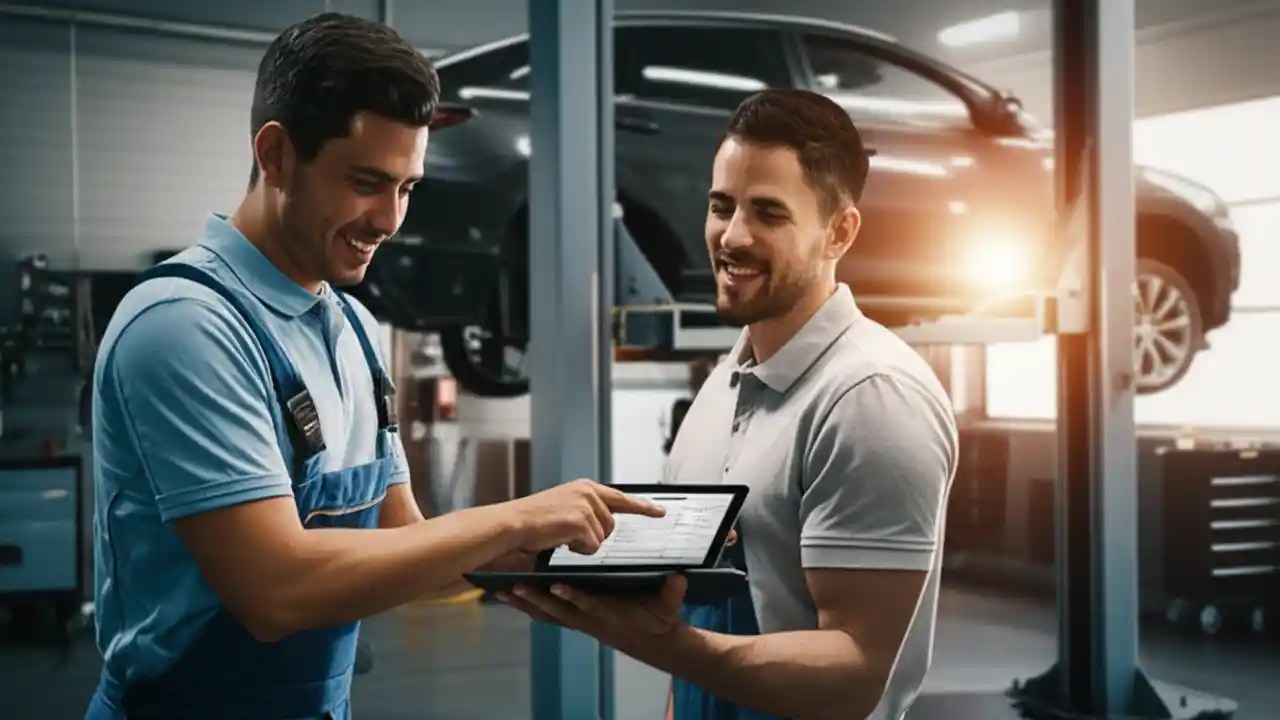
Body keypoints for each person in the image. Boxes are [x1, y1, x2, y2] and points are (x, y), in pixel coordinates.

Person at [85, 13, 662, 720]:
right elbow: (276, 592)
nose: (390, 220)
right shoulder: (184, 326)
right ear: (275, 155)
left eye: (408, 187)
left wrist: (574, 566)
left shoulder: (353, 328)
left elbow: (401, 541)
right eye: (366, 181)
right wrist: (515, 518)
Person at [499, 88, 958, 720]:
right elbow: (694, 605)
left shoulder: (870, 399)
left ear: (839, 232)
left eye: (769, 213)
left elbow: (854, 672)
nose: (732, 237)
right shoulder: (726, 380)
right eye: (722, 206)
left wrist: (666, 646)